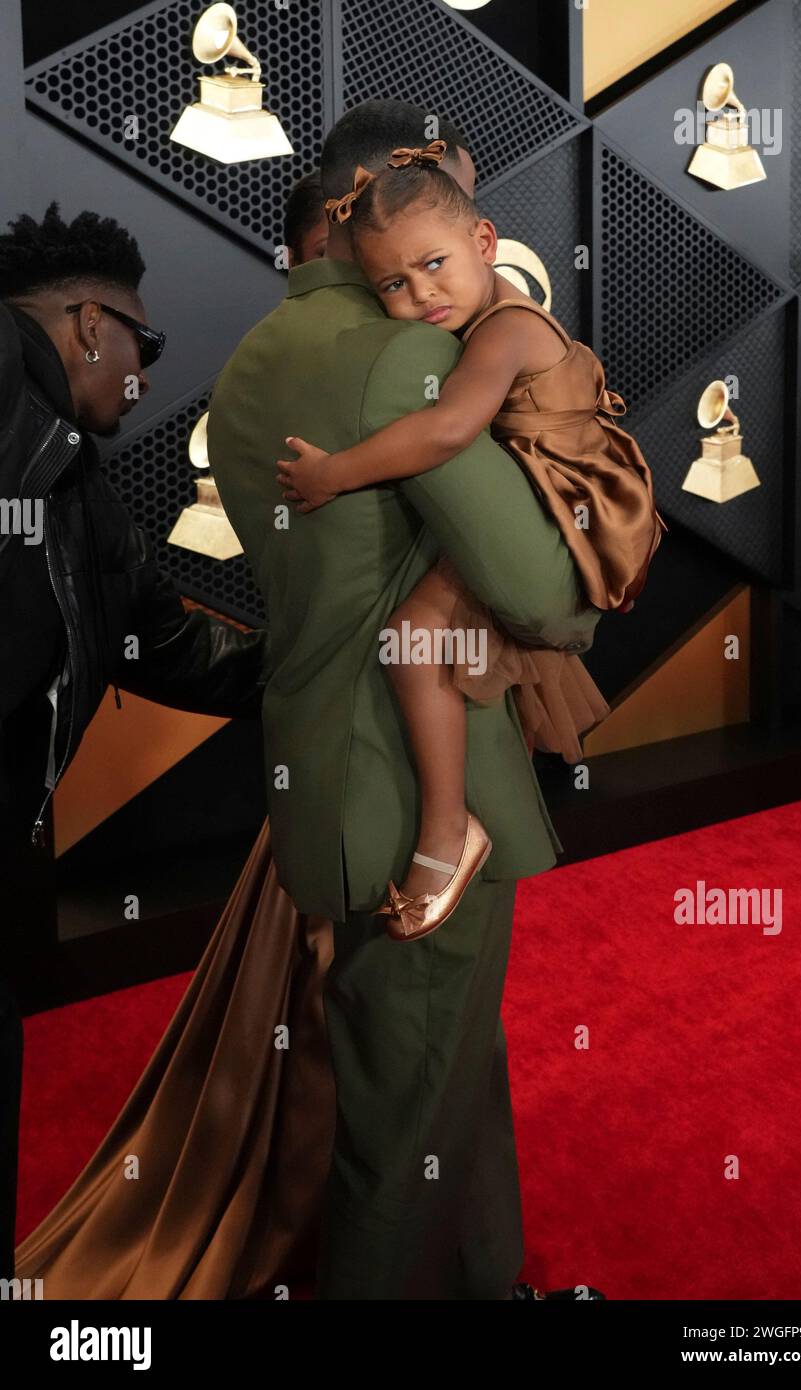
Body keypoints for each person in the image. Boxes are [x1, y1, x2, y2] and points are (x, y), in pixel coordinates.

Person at [206, 98, 609, 1300]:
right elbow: (546, 596)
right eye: (417, 213)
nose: (432, 273)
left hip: (324, 785)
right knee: (402, 1140)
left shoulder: (245, 368)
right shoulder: (410, 357)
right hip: (415, 808)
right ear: (361, 209)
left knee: (440, 1073)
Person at [277, 141, 665, 941]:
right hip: (529, 494)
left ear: (485, 245)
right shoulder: (462, 318)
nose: (420, 294)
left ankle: (448, 832)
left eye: (434, 265)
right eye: (392, 283)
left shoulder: (509, 326)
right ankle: (453, 824)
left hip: (571, 508)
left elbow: (451, 428)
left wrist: (335, 475)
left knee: (413, 635)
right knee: (419, 637)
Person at [0, 202, 267, 1283]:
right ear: (84, 323)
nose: (149, 373)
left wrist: (344, 651)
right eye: (142, 344)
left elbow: (173, 646)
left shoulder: (78, 491)